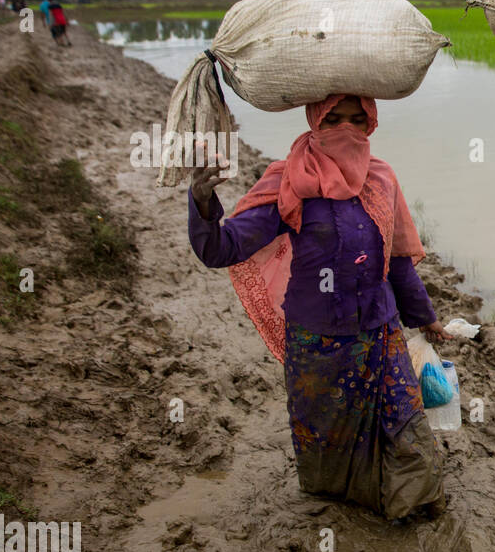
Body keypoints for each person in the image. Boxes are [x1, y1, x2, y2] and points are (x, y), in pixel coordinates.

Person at [188, 93, 452, 522]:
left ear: (371, 126)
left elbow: (398, 261)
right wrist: (202, 202)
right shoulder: (289, 182)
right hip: (318, 341)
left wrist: (425, 317)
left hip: (380, 333)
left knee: (404, 420)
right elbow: (221, 249)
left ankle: (415, 501)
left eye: (356, 120)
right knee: (331, 437)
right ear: (314, 123)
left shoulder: (381, 180)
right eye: (333, 120)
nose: (347, 130)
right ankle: (344, 503)